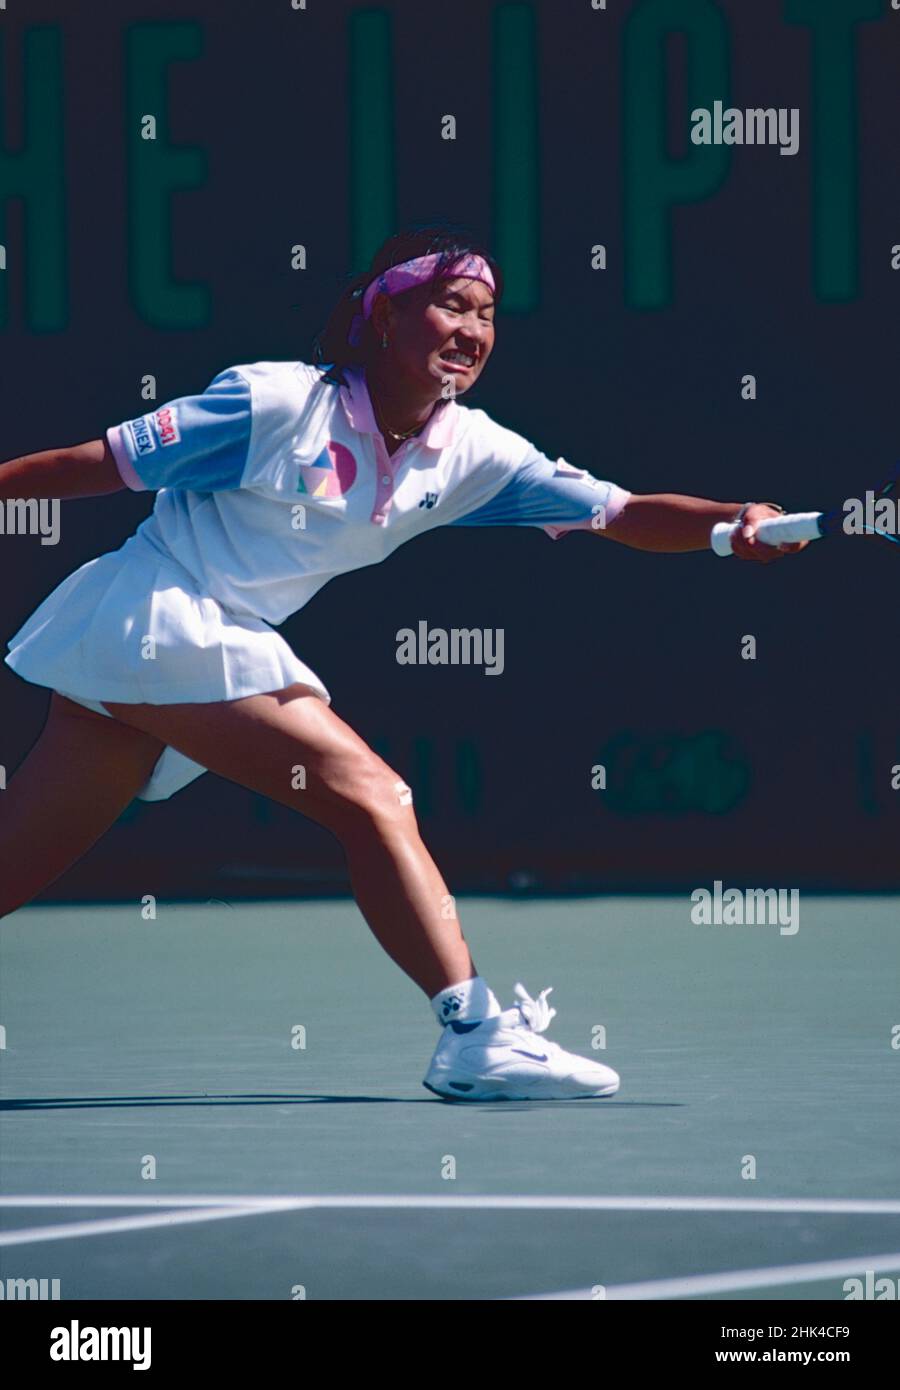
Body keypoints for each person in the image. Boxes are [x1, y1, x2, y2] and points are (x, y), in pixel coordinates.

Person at [0, 225, 806, 1101]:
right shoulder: (276, 405)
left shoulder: (472, 454)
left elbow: (621, 512)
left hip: (174, 647)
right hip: (155, 614)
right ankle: (474, 1032)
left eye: (488, 315)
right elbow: (100, 464)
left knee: (16, 864)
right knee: (374, 796)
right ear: (383, 318)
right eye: (450, 304)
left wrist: (732, 523)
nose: (472, 330)